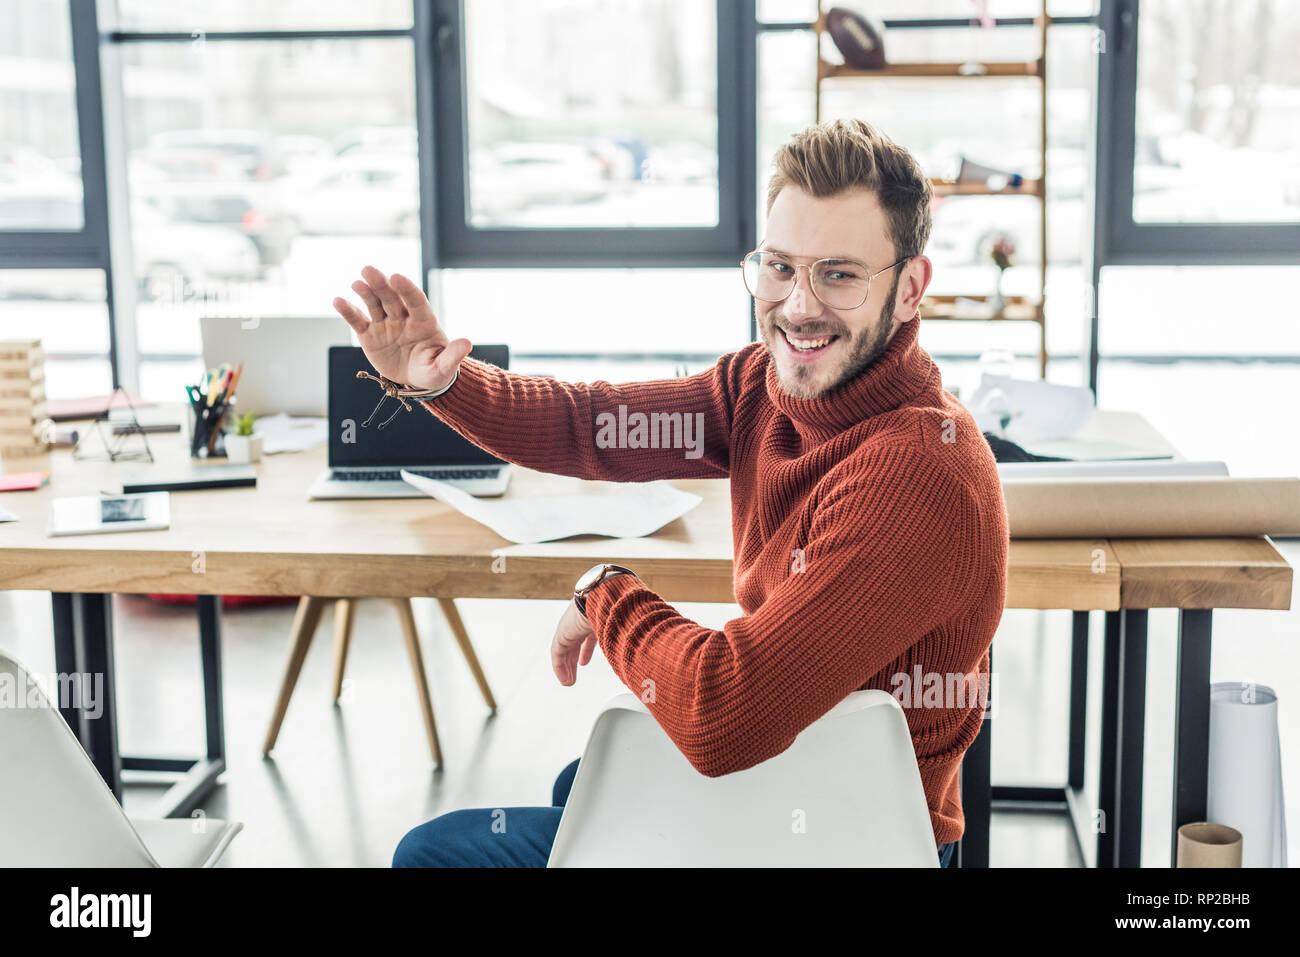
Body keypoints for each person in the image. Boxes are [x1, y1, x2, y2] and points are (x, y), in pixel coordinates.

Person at [333, 118, 1008, 868]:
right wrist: (447, 383)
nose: (799, 306)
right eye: (781, 267)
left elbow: (725, 712)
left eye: (840, 274)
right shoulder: (761, 387)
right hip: (794, 778)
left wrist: (606, 593)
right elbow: (597, 426)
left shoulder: (918, 472)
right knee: (581, 783)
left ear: (910, 288)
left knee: (433, 853)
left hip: (850, 839)